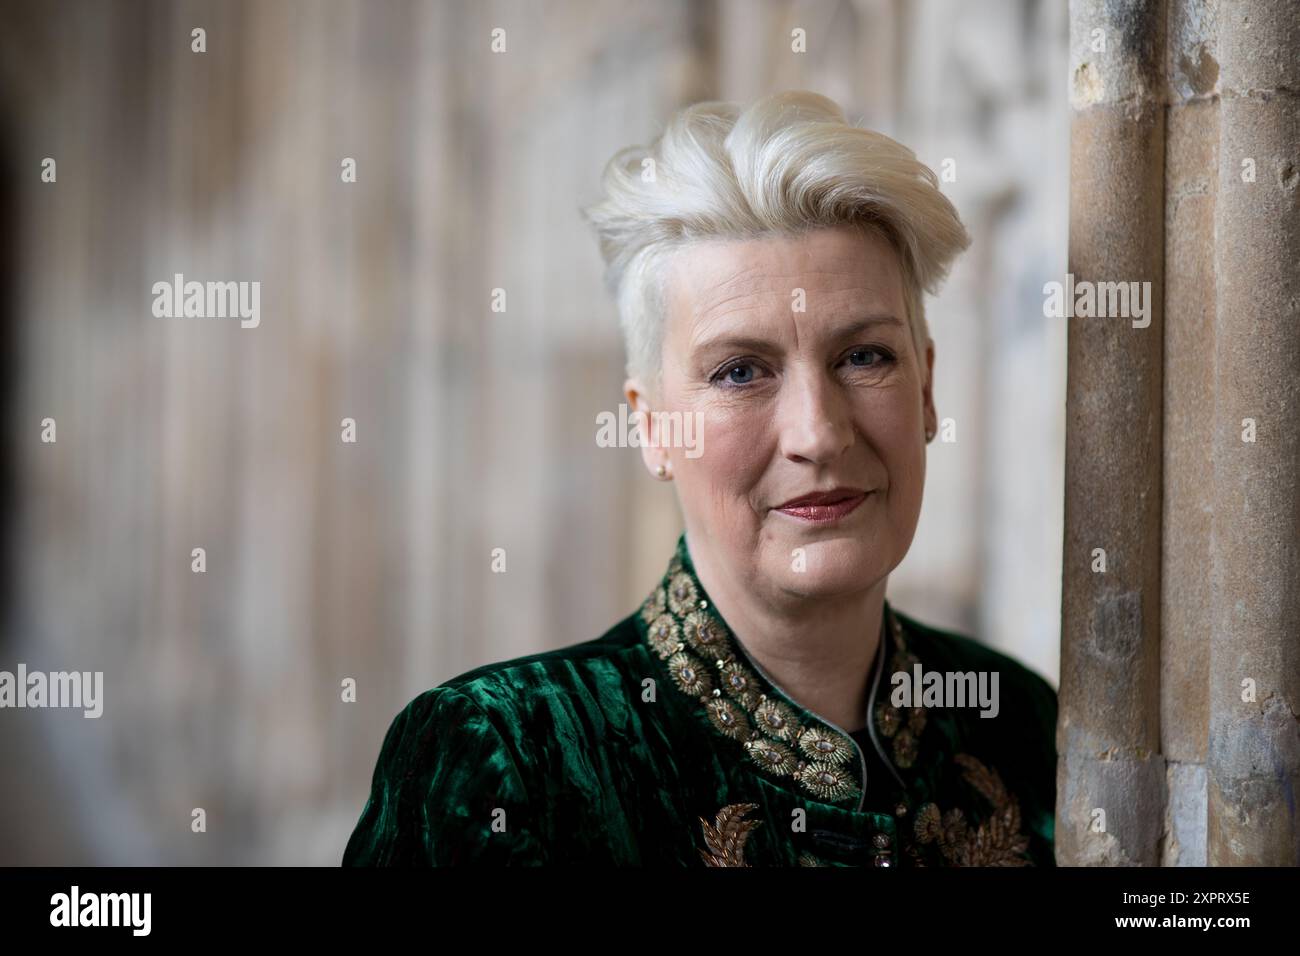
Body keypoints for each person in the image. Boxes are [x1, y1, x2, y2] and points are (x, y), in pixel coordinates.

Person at [343, 90, 1057, 867]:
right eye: (740, 371)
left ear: (925, 389)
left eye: (864, 356)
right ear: (652, 427)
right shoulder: (508, 758)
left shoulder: (1016, 721)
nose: (818, 433)